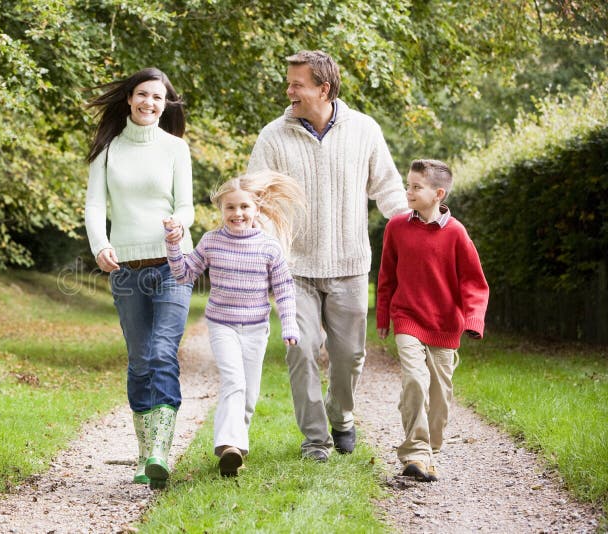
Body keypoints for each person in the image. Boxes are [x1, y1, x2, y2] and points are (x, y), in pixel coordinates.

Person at [247, 50, 408, 462]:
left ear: (324, 88)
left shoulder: (364, 130)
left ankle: (342, 416)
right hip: (293, 269)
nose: (289, 91)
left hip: (349, 266)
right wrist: (267, 248)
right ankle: (315, 439)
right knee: (300, 350)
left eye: (297, 84)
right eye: (289, 83)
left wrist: (414, 224)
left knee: (349, 356)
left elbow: (388, 189)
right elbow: (256, 200)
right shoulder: (273, 136)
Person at [84, 67, 194, 489]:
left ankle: (159, 453)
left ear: (166, 106)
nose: (150, 103)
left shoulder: (175, 149)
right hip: (125, 268)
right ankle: (144, 448)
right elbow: (95, 206)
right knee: (140, 359)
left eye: (159, 98)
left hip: (173, 264)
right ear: (130, 98)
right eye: (144, 95)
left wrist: (179, 225)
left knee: (163, 351)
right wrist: (100, 244)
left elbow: (186, 206)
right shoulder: (107, 150)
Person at [164, 171, 303, 477]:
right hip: (222, 325)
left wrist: (290, 324)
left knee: (249, 395)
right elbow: (183, 274)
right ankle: (227, 445)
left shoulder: (269, 247)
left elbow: (283, 289)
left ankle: (237, 451)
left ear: (256, 210)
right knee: (234, 382)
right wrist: (174, 246)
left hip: (256, 328)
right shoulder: (211, 241)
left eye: (243, 207)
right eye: (230, 207)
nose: (237, 213)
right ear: (221, 210)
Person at [376, 159, 489, 482]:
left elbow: (474, 282)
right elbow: (386, 278)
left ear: (438, 193)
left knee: (440, 399)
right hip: (407, 317)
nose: (408, 191)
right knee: (414, 380)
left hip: (444, 324)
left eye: (415, 187)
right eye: (407, 185)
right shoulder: (396, 227)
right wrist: (384, 315)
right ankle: (415, 453)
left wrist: (473, 320)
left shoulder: (456, 233)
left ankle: (430, 450)